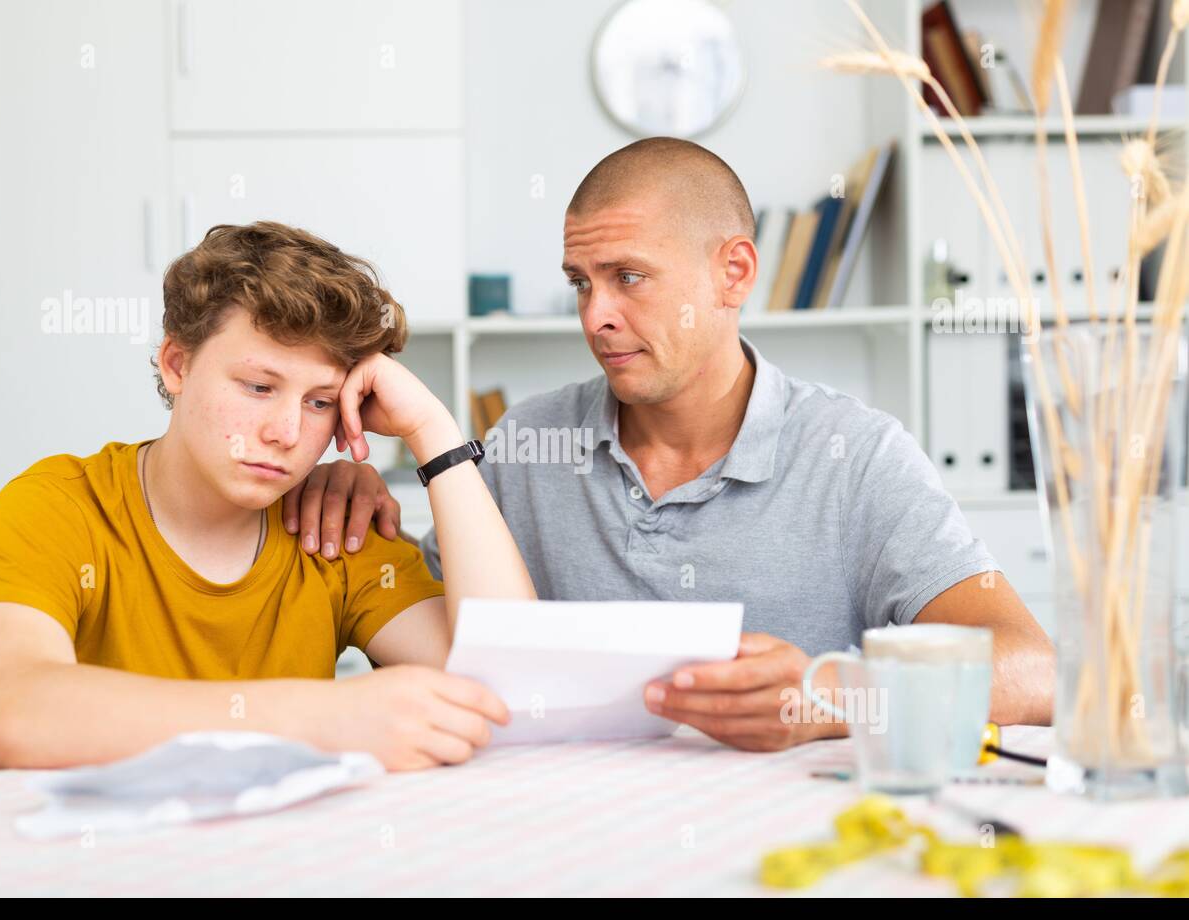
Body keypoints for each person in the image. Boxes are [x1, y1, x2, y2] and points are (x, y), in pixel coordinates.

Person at [285, 138, 1055, 752]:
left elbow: (1032, 670)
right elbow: (427, 644)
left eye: (628, 277)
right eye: (582, 282)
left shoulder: (857, 457)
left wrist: (833, 694)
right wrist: (356, 493)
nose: (596, 317)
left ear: (734, 273)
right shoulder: (527, 444)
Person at [0, 221, 535, 772]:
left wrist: (436, 436)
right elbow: (10, 712)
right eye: (259, 387)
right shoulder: (60, 506)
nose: (285, 433)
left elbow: (516, 687)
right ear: (176, 363)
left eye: (319, 402)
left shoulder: (333, 527)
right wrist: (323, 718)